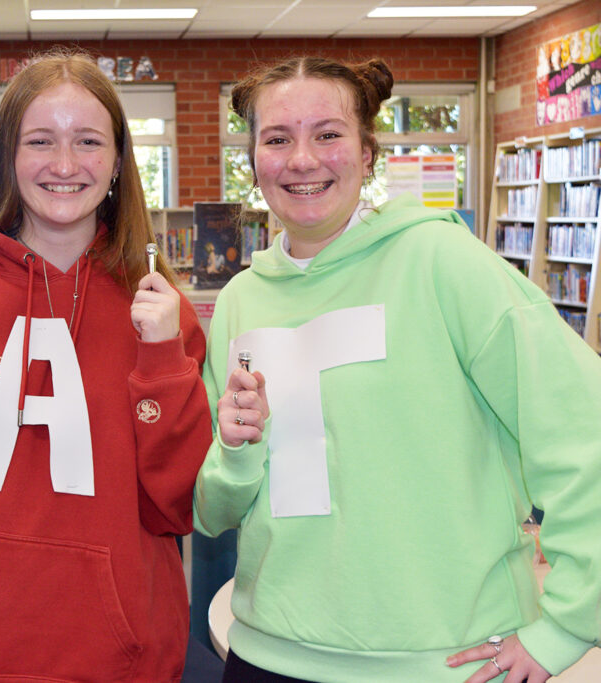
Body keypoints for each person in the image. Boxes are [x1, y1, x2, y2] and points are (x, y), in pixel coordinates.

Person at [193, 56, 601, 683]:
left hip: (442, 663)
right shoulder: (240, 300)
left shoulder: (443, 262)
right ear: (254, 161)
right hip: (268, 653)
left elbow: (580, 429)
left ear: (367, 152)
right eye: (276, 139)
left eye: (327, 134)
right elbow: (213, 508)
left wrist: (568, 624)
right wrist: (237, 451)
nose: (302, 159)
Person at [0, 50, 213, 682]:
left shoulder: (161, 311)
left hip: (122, 657)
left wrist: (160, 356)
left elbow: (177, 507)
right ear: (8, 157)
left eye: (88, 141)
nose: (64, 165)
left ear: (117, 160)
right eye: (40, 141)